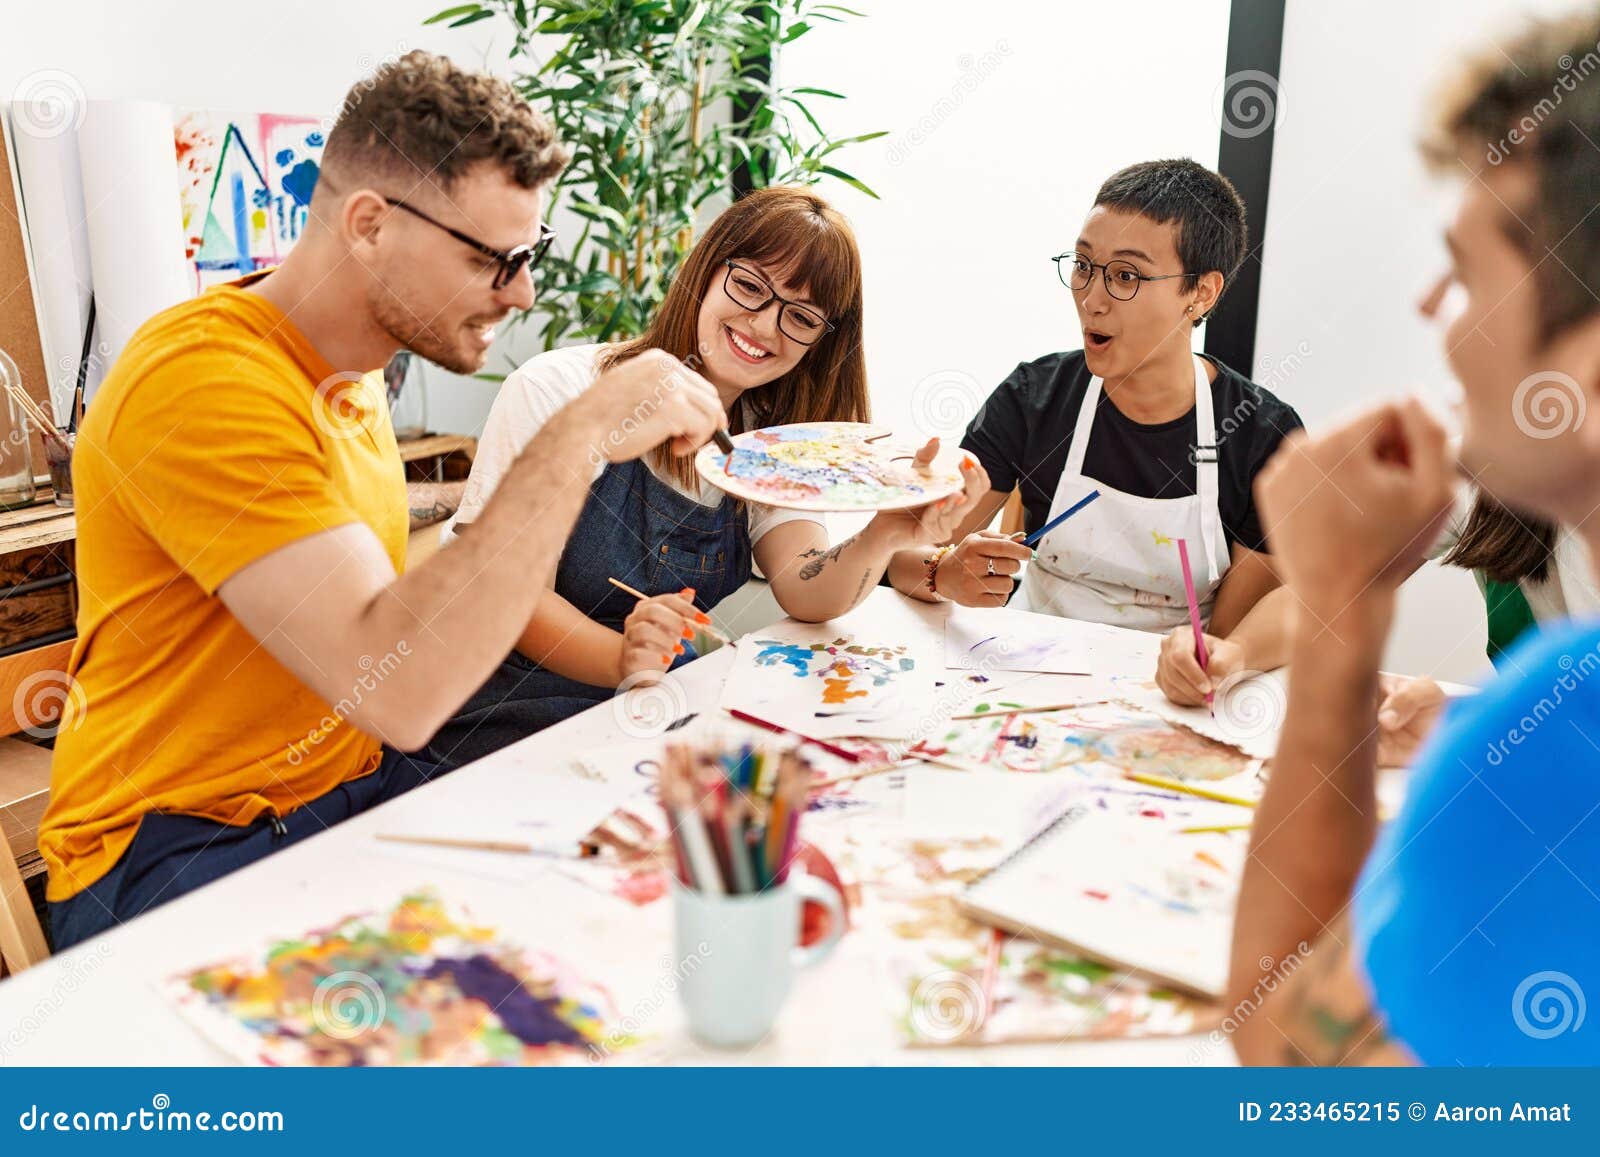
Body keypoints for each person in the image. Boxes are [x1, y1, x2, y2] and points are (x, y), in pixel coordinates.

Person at [38, 51, 732, 951]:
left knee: (628, 918)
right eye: (497, 259)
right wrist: (577, 435)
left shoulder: (353, 373)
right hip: (179, 843)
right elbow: (398, 687)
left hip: (346, 790)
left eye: (531, 257)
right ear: (368, 225)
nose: (520, 292)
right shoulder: (204, 383)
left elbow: (382, 596)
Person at [1229, 9, 1600, 1066]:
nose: (1432, 307)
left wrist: (1342, 608)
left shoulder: (1564, 724)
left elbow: (1289, 1057)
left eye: (1467, 274)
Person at [426, 187, 987, 765]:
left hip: (652, 711)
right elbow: (507, 602)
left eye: (800, 317)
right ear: (707, 268)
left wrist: (887, 530)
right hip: (500, 718)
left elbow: (805, 587)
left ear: (823, 343)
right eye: (748, 286)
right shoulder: (560, 390)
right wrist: (627, 658)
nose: (764, 325)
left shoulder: (764, 438)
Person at [884, 159, 1304, 706]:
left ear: (1200, 292)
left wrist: (1224, 657)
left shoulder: (1262, 436)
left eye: (1125, 276)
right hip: (1024, 677)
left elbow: (1248, 626)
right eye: (1083, 265)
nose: (1092, 298)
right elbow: (900, 555)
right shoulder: (1034, 399)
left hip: (1172, 695)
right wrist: (944, 572)